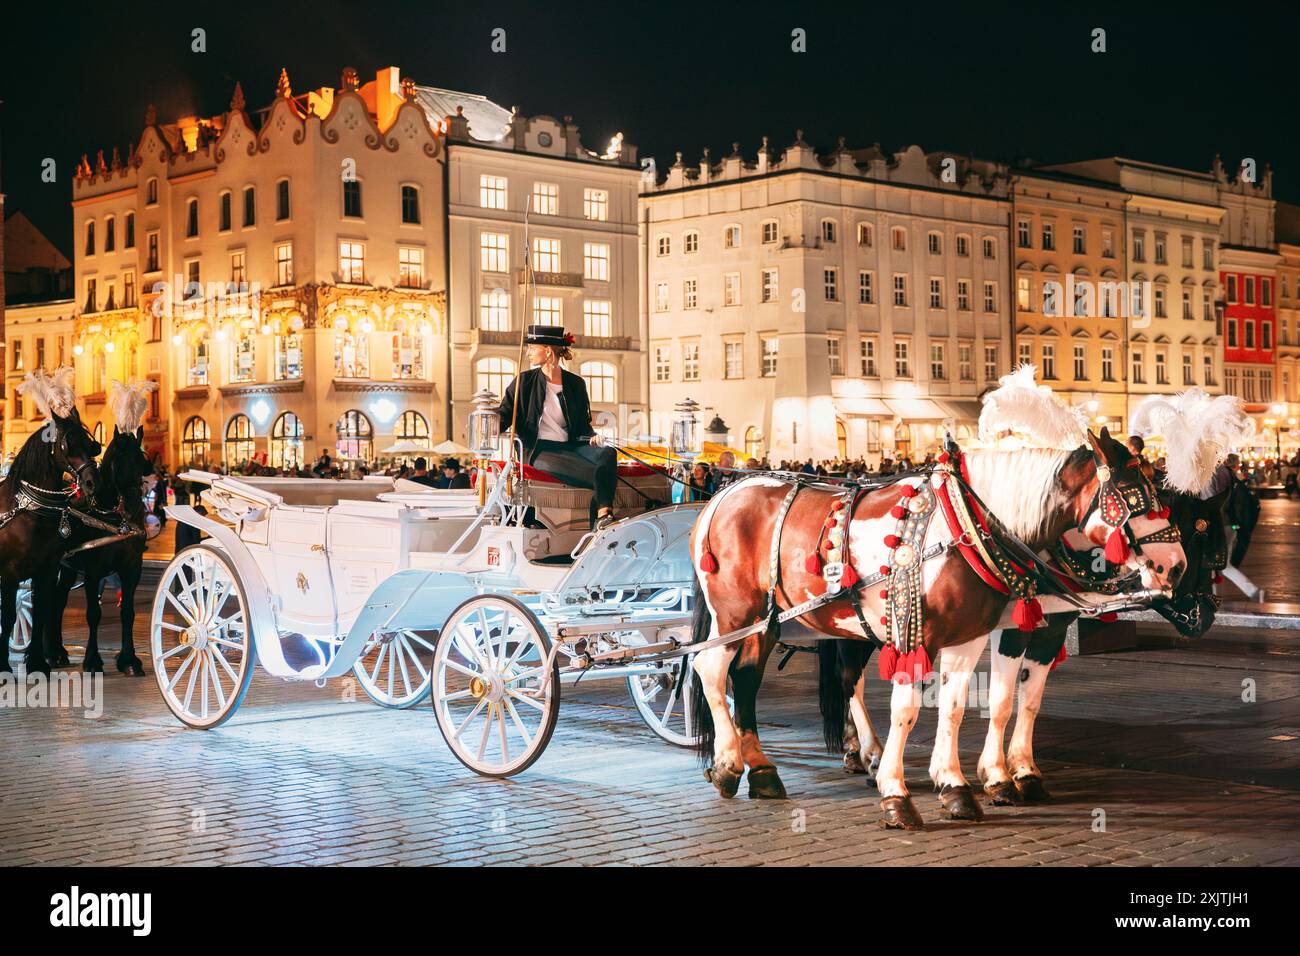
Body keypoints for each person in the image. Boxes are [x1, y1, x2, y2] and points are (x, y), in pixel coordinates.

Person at [496, 324, 618, 530]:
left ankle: (603, 515)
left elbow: (581, 425)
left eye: (533, 348)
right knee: (599, 476)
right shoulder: (523, 383)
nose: (528, 353)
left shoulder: (576, 383)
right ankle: (602, 520)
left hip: (572, 446)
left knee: (608, 453)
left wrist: (593, 437)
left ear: (548, 351)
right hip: (539, 450)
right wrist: (484, 423)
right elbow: (503, 415)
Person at [1203, 454, 1264, 602]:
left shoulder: (1214, 475)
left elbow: (1210, 501)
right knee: (1216, 563)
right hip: (1230, 524)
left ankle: (1253, 591)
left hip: (1219, 524)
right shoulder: (1229, 475)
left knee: (1220, 564)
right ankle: (1213, 595)